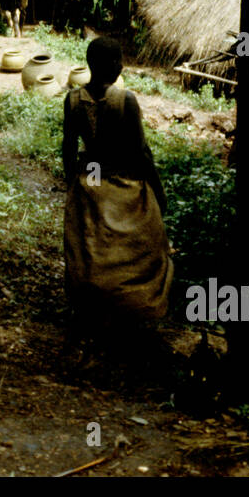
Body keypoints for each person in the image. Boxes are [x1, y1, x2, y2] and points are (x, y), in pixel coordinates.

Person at [61, 37, 173, 369]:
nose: (121, 65)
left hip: (89, 181)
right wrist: (156, 189)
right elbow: (140, 151)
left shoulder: (72, 100)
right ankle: (132, 311)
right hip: (124, 181)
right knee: (143, 247)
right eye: (119, 60)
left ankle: (93, 312)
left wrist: (73, 182)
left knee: (92, 248)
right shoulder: (126, 101)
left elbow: (68, 147)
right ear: (111, 66)